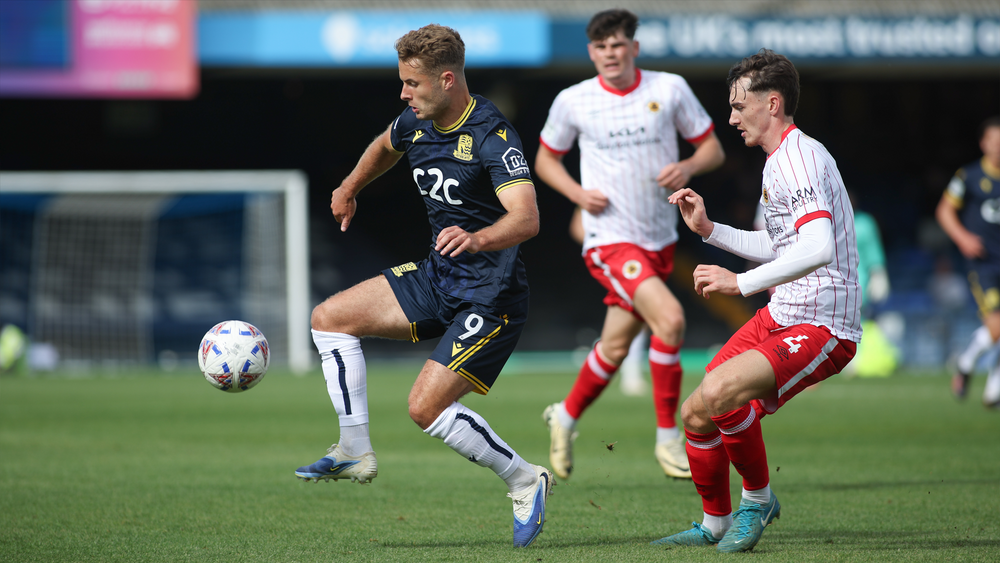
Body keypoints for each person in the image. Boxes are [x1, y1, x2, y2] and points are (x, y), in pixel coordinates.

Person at [294, 24, 553, 548]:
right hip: (438, 277)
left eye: (412, 84)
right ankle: (352, 448)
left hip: (491, 296)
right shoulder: (416, 120)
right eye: (402, 82)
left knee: (424, 408)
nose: (404, 93)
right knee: (329, 319)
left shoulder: (491, 135)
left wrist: (479, 240)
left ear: (447, 79)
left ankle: (526, 479)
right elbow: (384, 147)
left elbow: (526, 219)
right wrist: (348, 188)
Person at [653, 49, 861, 553]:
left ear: (772, 103)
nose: (731, 117)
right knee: (696, 413)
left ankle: (759, 500)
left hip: (822, 324)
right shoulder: (777, 163)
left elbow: (818, 248)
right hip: (783, 313)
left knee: (722, 390)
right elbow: (782, 245)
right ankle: (716, 523)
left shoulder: (804, 158)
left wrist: (739, 284)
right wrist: (709, 230)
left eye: (738, 106)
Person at [535, 8, 725, 481]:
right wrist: (577, 195)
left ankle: (565, 416)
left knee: (616, 346)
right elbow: (545, 160)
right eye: (600, 47)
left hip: (658, 238)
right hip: (609, 239)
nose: (609, 54)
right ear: (590, 53)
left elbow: (713, 149)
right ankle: (669, 441)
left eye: (617, 45)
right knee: (672, 320)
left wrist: (688, 167)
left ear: (633, 48)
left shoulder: (669, 89)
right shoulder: (574, 100)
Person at [936, 116, 1000, 409]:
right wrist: (962, 238)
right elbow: (944, 211)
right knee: (997, 324)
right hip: (985, 264)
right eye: (995, 142)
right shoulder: (970, 176)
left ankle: (993, 392)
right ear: (984, 144)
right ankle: (965, 362)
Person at [569, 206, 650, 397]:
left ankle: (622, 366)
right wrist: (602, 247)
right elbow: (577, 225)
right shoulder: (600, 185)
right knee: (638, 309)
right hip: (612, 258)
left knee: (641, 310)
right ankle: (624, 370)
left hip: (633, 258)